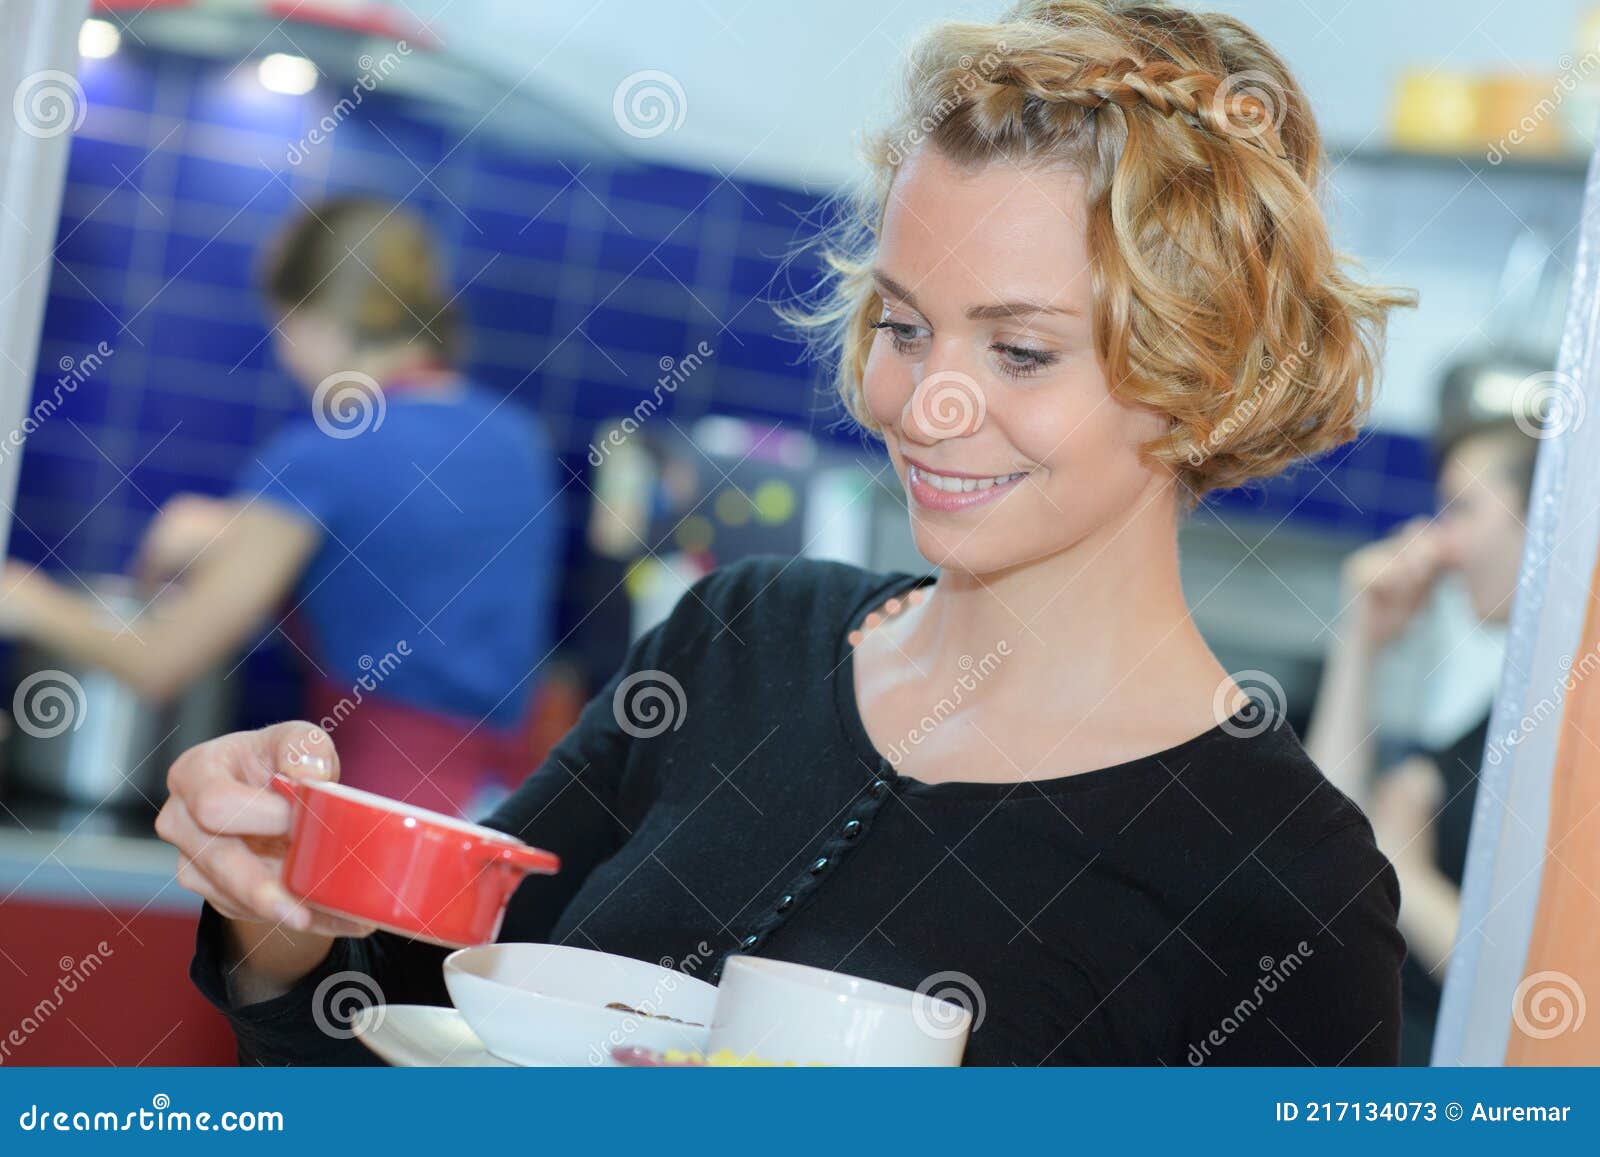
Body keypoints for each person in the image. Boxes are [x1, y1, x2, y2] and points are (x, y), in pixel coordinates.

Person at [157, 0, 1417, 1066]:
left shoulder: (1286, 888)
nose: (925, 404)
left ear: (1205, 382)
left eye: (1021, 349)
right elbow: (403, 1033)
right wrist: (284, 911)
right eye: (905, 325)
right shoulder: (736, 640)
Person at [2, 197, 563, 816]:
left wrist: (28, 601)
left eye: (283, 331)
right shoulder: (518, 443)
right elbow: (406, 543)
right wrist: (237, 531)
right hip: (504, 810)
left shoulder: (318, 456)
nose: (286, 358)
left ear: (317, 322)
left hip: (374, 812)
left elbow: (161, 662)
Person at [1306, 402, 1540, 1065]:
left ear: (1544, 516)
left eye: (1462, 509)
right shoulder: (1503, 715)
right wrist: (1363, 639)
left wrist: (1400, 869)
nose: (1436, 542)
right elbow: (1330, 841)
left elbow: (1543, 985)